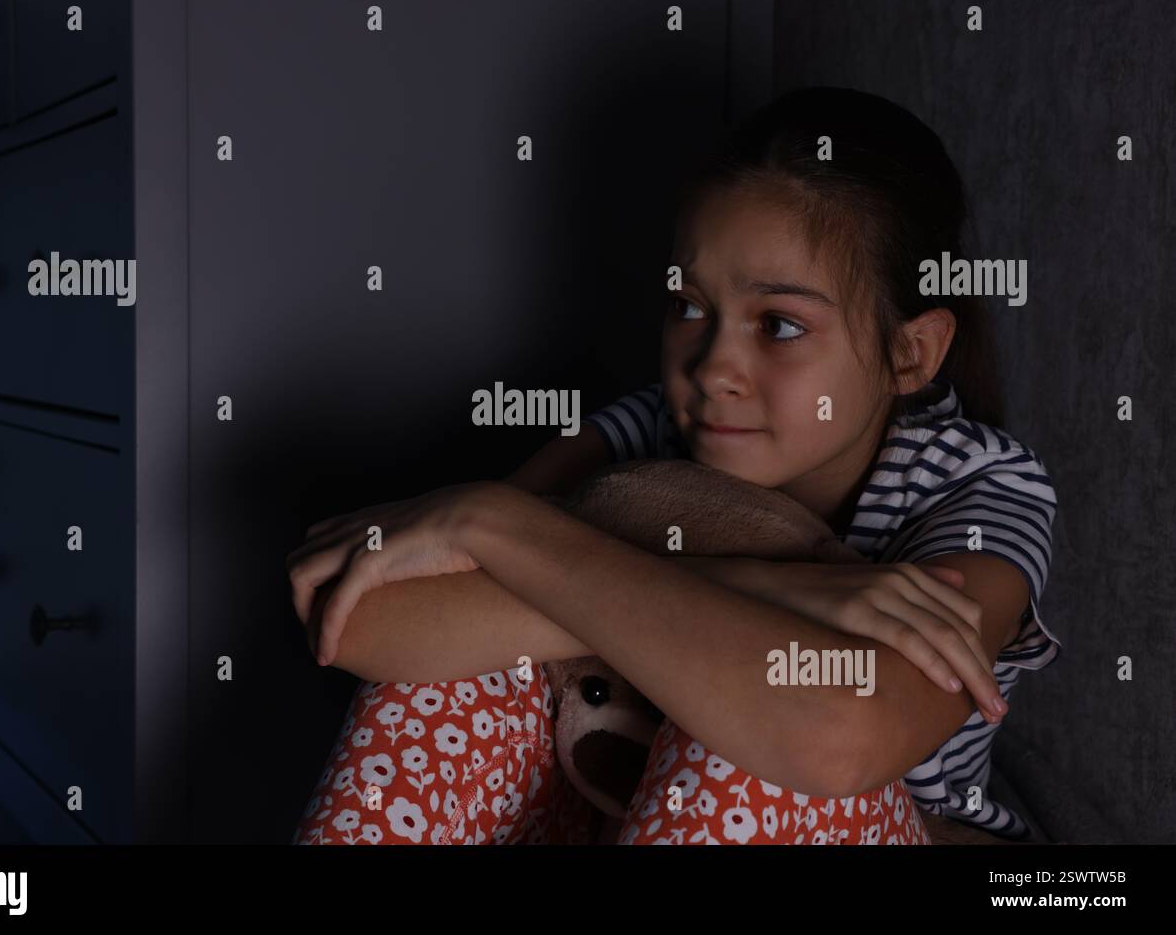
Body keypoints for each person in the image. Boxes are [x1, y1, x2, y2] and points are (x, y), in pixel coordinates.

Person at [286, 86, 1058, 844]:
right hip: (632, 816)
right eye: (689, 306)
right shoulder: (653, 427)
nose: (713, 365)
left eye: (779, 324)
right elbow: (358, 619)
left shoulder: (983, 488)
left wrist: (496, 523)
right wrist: (771, 584)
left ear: (909, 351)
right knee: (464, 675)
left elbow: (840, 737)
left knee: (759, 709)